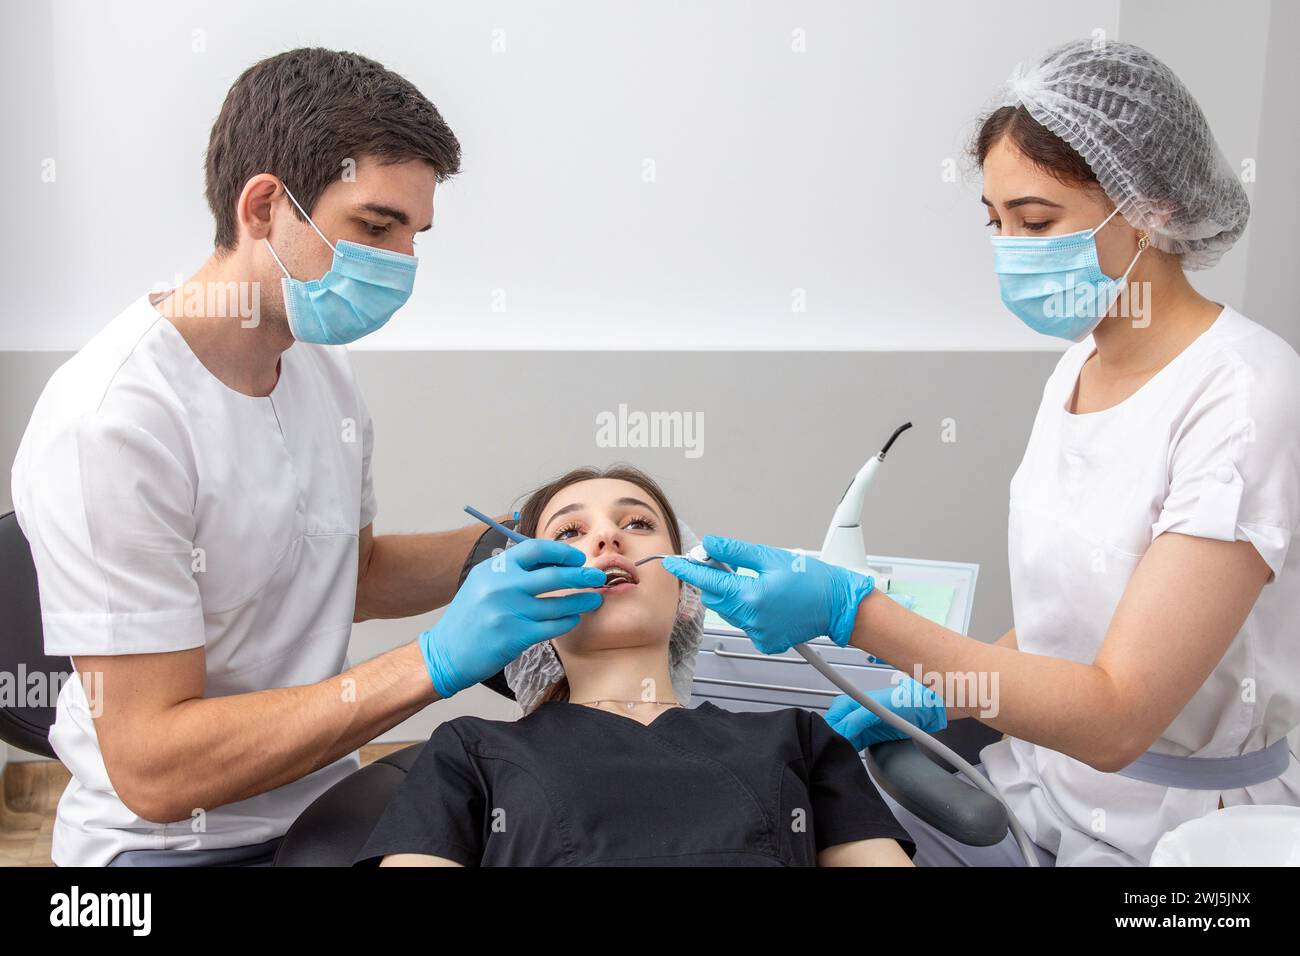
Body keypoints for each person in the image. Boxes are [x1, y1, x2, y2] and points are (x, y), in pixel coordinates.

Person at [664, 39, 1300, 866]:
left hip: (1180, 832)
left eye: (1036, 222)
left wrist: (854, 614)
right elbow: (1063, 632)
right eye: (995, 222)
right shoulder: (1081, 364)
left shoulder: (1248, 394)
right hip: (1036, 784)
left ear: (1156, 206)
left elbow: (1117, 715)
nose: (1010, 249)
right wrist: (940, 686)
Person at [10, 48, 599, 866]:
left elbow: (343, 572)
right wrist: (434, 661)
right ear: (263, 207)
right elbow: (153, 768)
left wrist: (508, 545)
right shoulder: (113, 427)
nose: (402, 264)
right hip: (171, 850)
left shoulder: (317, 361)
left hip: (320, 810)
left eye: (414, 235)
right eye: (374, 226)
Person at [354, 466, 916, 867]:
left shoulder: (798, 740)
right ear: (527, 595)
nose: (608, 536)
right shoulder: (468, 753)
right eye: (569, 533)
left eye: (639, 524)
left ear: (687, 588)